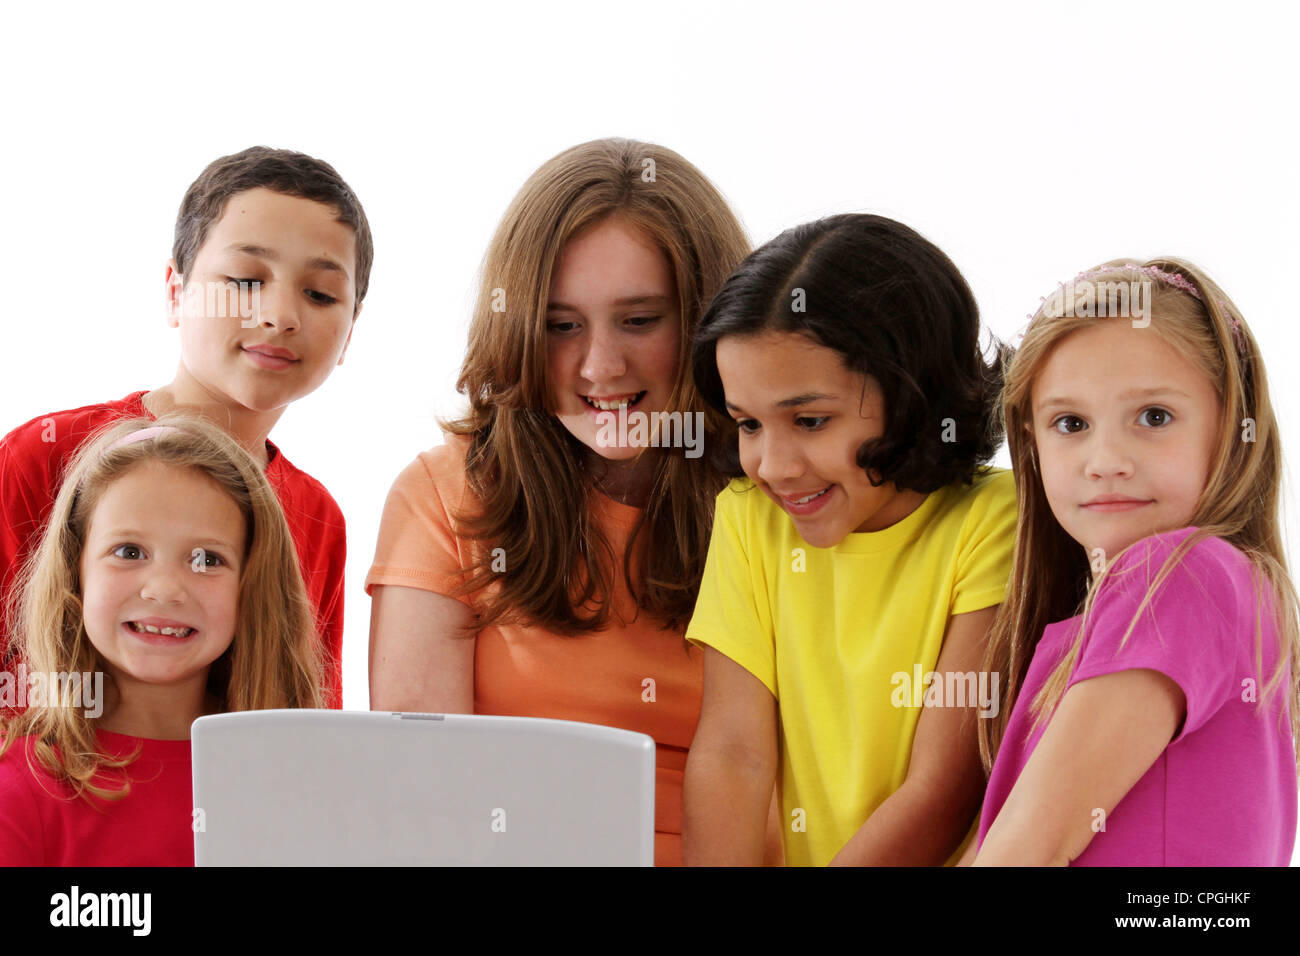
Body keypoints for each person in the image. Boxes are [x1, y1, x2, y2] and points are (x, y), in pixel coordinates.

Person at [366, 138, 762, 866]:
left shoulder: (780, 501)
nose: (600, 366)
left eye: (640, 320)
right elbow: (421, 805)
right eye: (560, 325)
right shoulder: (445, 495)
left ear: (713, 322)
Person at [683, 214, 1017, 866]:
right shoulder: (751, 518)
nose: (773, 464)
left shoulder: (995, 519)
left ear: (911, 392)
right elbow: (733, 753)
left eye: (809, 420)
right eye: (748, 423)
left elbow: (943, 790)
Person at [0, 146, 371, 707]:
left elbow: (306, 726)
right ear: (176, 293)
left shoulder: (319, 517)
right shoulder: (42, 455)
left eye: (319, 294)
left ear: (350, 331)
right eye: (245, 280)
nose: (279, 316)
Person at [972, 259, 1298, 866]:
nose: (1106, 460)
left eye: (1153, 417)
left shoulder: (1181, 575)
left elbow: (1023, 856)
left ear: (1232, 427)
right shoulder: (1219, 590)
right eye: (1070, 423)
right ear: (1032, 444)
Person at [0, 415, 324, 865]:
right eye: (130, 552)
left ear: (253, 587)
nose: (164, 589)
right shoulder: (19, 791)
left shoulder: (305, 783)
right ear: (75, 573)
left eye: (207, 559)